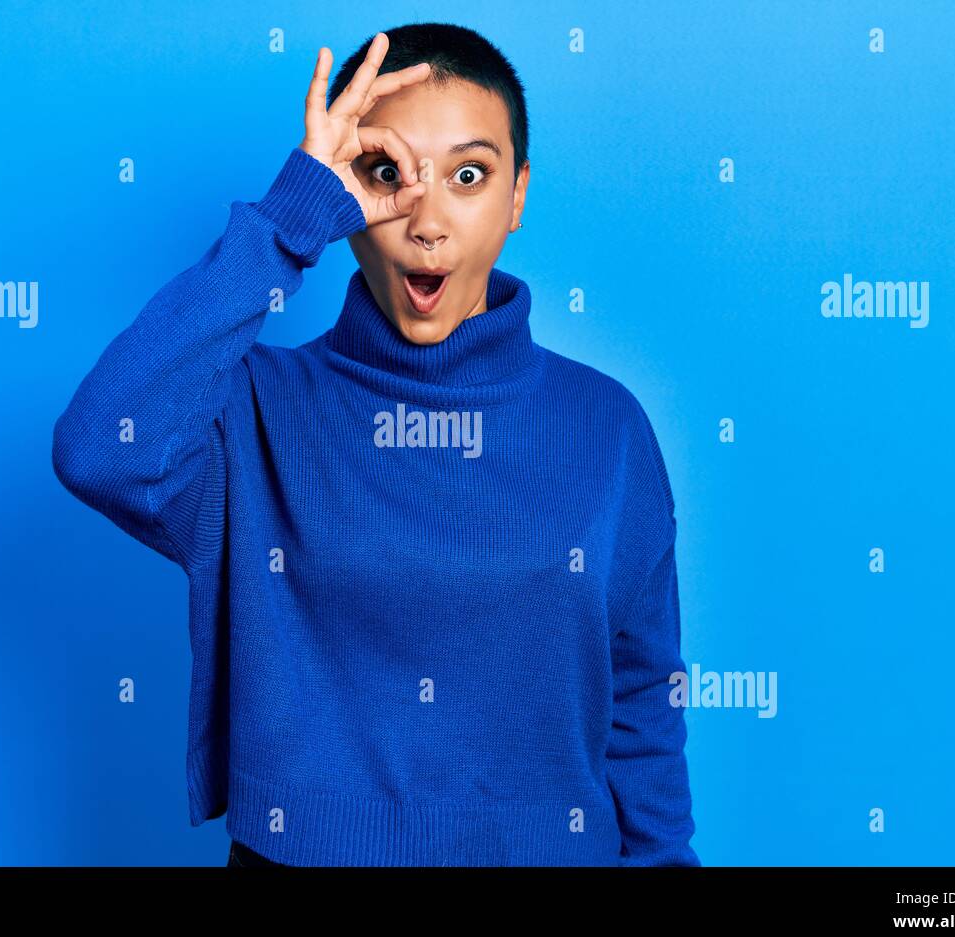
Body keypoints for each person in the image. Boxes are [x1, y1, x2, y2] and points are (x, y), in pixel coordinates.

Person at [52, 22, 700, 867]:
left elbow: (643, 697)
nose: (426, 221)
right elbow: (101, 446)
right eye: (386, 174)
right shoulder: (253, 411)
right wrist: (293, 216)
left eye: (469, 175)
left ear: (517, 197)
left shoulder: (606, 427)